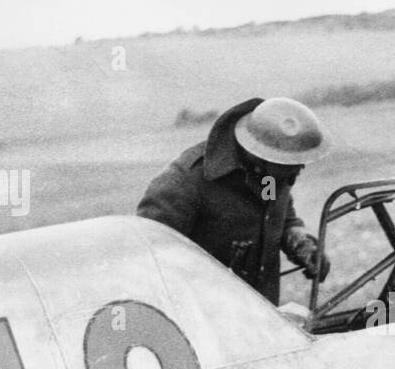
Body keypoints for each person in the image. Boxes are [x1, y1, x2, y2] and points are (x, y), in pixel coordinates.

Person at [137, 97, 331, 304]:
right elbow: (149, 260)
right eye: (289, 162)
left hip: (262, 311)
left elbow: (276, 217)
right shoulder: (184, 182)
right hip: (202, 316)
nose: (299, 169)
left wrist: (300, 242)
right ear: (260, 156)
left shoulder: (270, 177)